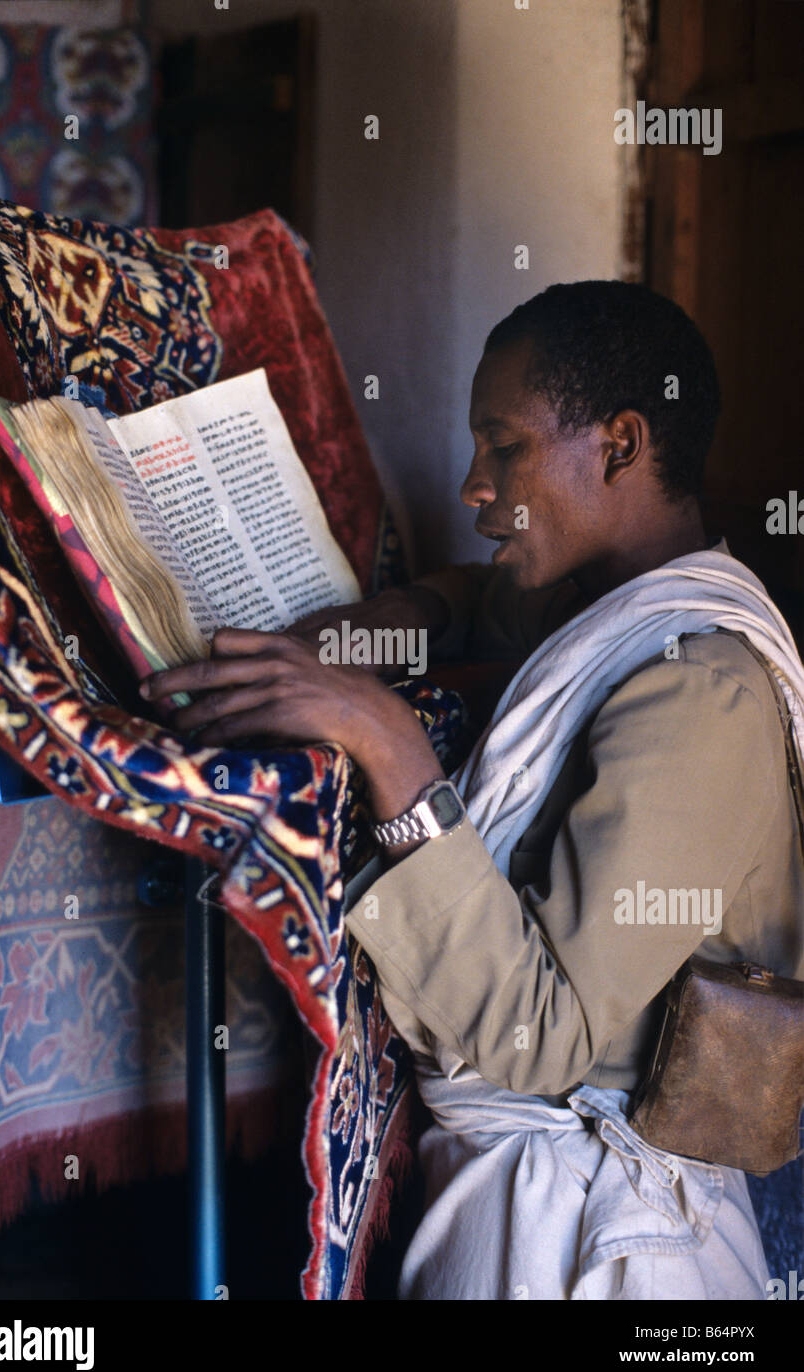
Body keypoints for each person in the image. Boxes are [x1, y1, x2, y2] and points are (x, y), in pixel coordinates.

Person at [142, 281, 804, 1300]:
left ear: (619, 444)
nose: (472, 485)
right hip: (524, 1208)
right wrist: (377, 623)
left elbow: (541, 1036)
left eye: (504, 448)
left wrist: (383, 736)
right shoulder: (595, 606)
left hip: (607, 1241)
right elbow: (474, 600)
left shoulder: (699, 687)